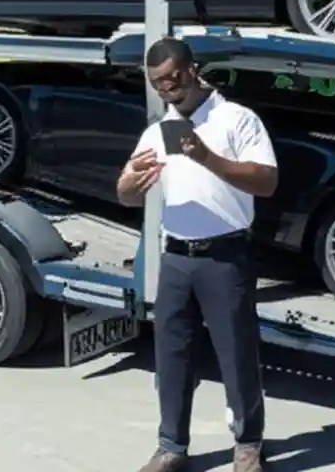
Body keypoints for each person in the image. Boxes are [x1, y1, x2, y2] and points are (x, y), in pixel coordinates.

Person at [116, 37, 279, 472]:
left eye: (173, 78)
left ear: (193, 69)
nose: (168, 89)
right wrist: (133, 181)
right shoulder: (157, 130)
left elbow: (266, 182)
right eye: (158, 83)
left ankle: (247, 448)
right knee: (171, 354)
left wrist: (208, 158)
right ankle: (171, 445)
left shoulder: (236, 119)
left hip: (225, 257)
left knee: (236, 354)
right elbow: (125, 193)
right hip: (175, 258)